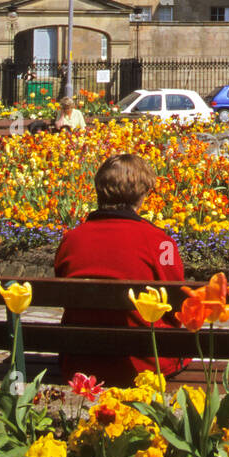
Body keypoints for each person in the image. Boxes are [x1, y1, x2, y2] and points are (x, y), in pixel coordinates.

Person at [54, 153, 185, 386]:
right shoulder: (159, 241)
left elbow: (67, 298)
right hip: (145, 363)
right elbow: (175, 304)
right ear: (143, 193)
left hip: (79, 362)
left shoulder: (71, 240)